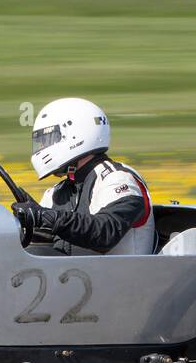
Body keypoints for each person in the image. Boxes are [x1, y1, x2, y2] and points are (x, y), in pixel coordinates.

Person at [11, 97, 155, 255]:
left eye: (48, 139)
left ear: (76, 135)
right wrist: (27, 222)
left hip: (121, 277)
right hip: (72, 276)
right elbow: (38, 242)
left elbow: (105, 233)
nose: (43, 147)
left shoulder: (116, 178)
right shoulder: (57, 193)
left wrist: (47, 217)